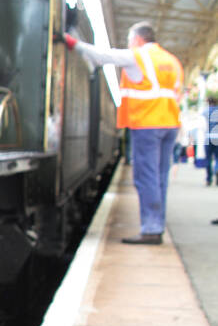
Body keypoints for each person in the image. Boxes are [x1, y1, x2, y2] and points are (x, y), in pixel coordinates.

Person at [63, 21, 183, 244]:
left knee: (146, 177)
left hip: (148, 124)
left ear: (138, 39)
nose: (129, 44)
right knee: (160, 177)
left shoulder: (139, 56)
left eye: (130, 40)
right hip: (170, 124)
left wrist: (74, 43)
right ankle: (156, 225)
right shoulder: (171, 61)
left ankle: (151, 229)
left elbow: (101, 56)